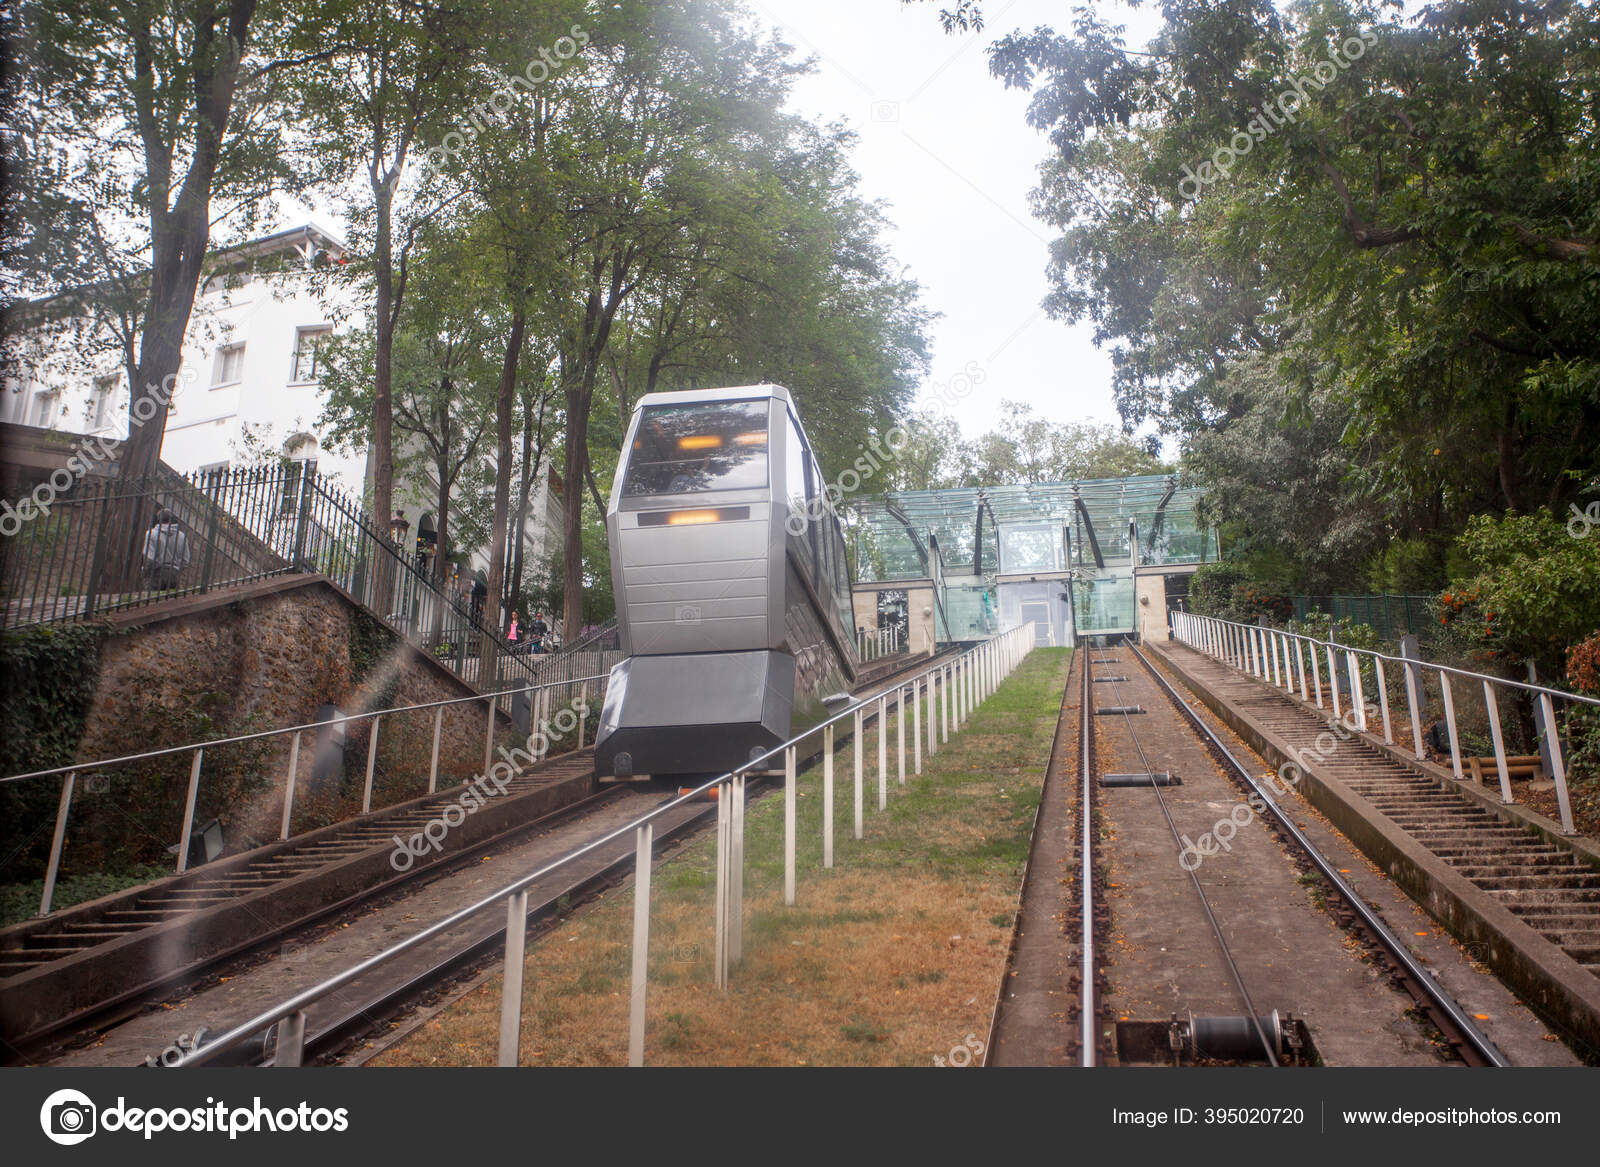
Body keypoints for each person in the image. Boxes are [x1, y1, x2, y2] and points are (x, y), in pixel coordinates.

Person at [142, 508, 191, 591]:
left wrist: (145, 573)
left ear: (158, 520)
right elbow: (185, 561)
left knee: (152, 601)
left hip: (157, 573)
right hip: (174, 574)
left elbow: (149, 559)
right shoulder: (182, 536)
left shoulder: (152, 533)